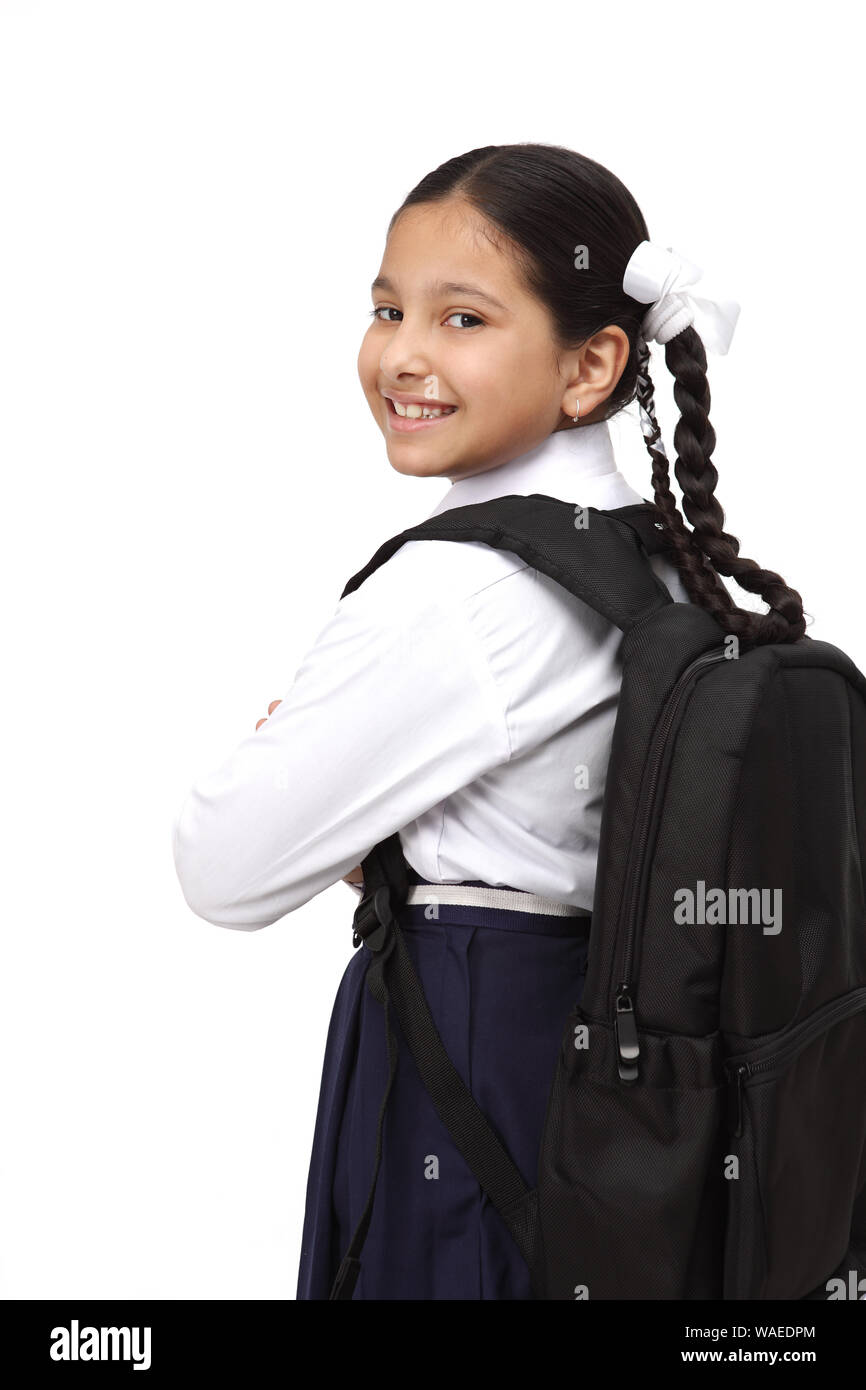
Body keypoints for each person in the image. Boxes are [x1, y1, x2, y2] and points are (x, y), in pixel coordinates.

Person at [171, 143, 807, 1300]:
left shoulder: (455, 595)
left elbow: (222, 867)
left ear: (590, 364)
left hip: (467, 1069)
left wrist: (347, 817)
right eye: (384, 307)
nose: (402, 353)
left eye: (461, 318)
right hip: (617, 1114)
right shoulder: (666, 565)